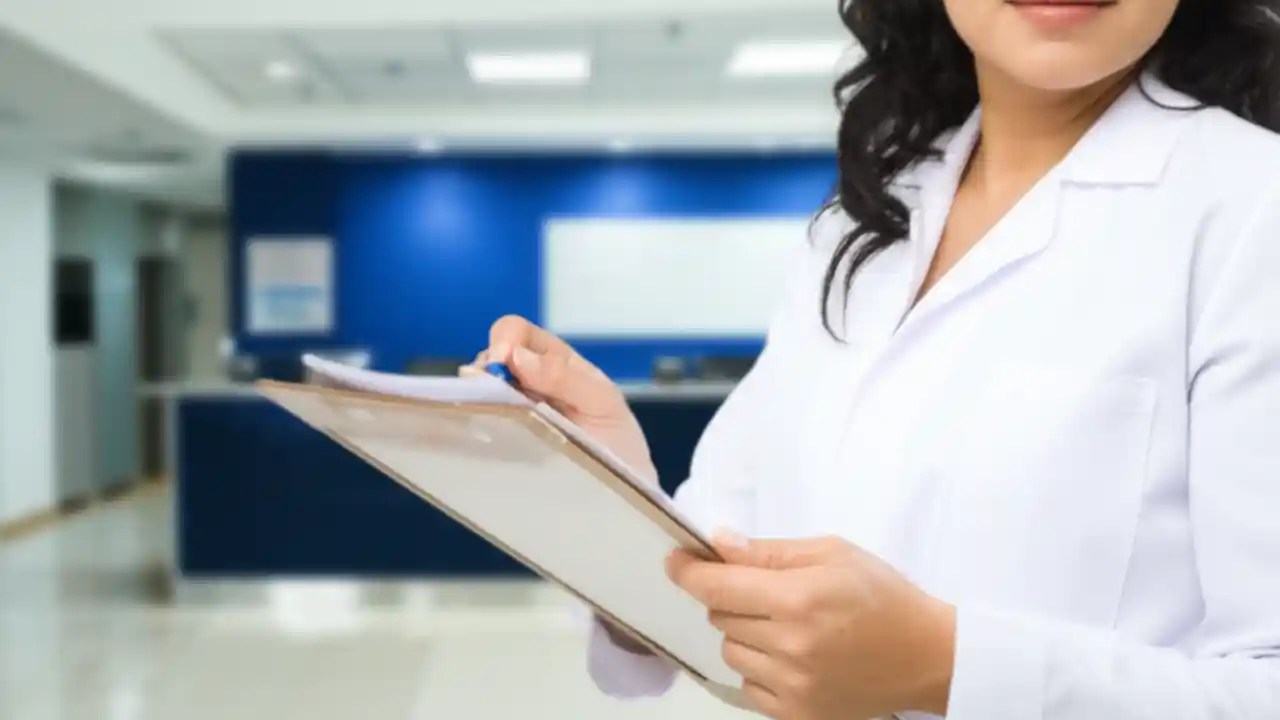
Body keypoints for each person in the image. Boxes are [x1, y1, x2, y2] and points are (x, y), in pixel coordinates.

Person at [466, 0, 1280, 717]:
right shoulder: (859, 227)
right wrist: (605, 482)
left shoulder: (1252, 210)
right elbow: (734, 576)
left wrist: (945, 668)